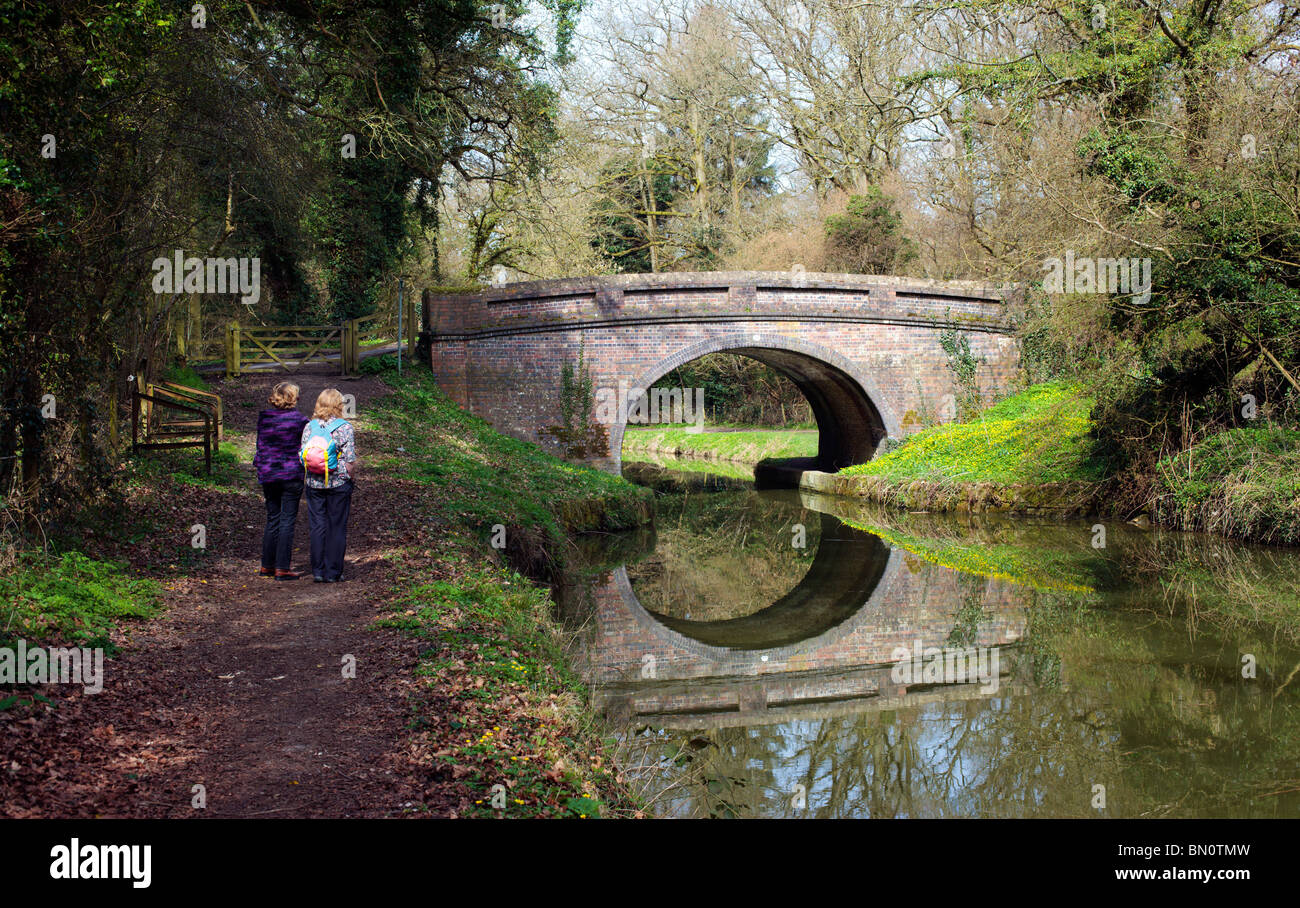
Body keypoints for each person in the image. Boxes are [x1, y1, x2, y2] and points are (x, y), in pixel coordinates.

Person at [253, 381, 310, 580]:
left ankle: (267, 565)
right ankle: (282, 568)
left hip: (268, 473)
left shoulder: (265, 418)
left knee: (272, 519)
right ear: (294, 398)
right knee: (286, 520)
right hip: (290, 474)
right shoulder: (300, 421)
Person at [302, 388, 357, 583]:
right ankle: (333, 571)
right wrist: (348, 476)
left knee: (317, 526)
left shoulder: (310, 427)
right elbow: (349, 460)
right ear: (339, 405)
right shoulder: (345, 427)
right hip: (338, 483)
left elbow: (302, 456)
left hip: (314, 484)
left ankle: (317, 570)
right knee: (337, 526)